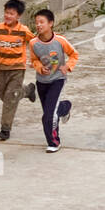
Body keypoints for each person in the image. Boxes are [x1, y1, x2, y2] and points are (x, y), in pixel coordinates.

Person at [29, 9, 79, 152]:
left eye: (42, 22)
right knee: (50, 112)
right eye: (36, 22)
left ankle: (54, 142)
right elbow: (33, 60)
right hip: (42, 82)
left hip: (58, 80)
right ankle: (65, 106)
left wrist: (68, 66)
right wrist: (39, 68)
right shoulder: (33, 43)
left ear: (50, 23)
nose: (38, 25)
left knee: (49, 116)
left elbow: (74, 54)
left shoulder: (60, 41)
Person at [0, 0, 36, 140]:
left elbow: (34, 43)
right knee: (3, 95)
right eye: (6, 13)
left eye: (11, 13)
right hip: (2, 68)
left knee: (9, 98)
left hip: (18, 68)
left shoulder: (23, 31)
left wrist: (35, 59)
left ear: (18, 16)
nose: (8, 16)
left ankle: (5, 129)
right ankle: (28, 90)